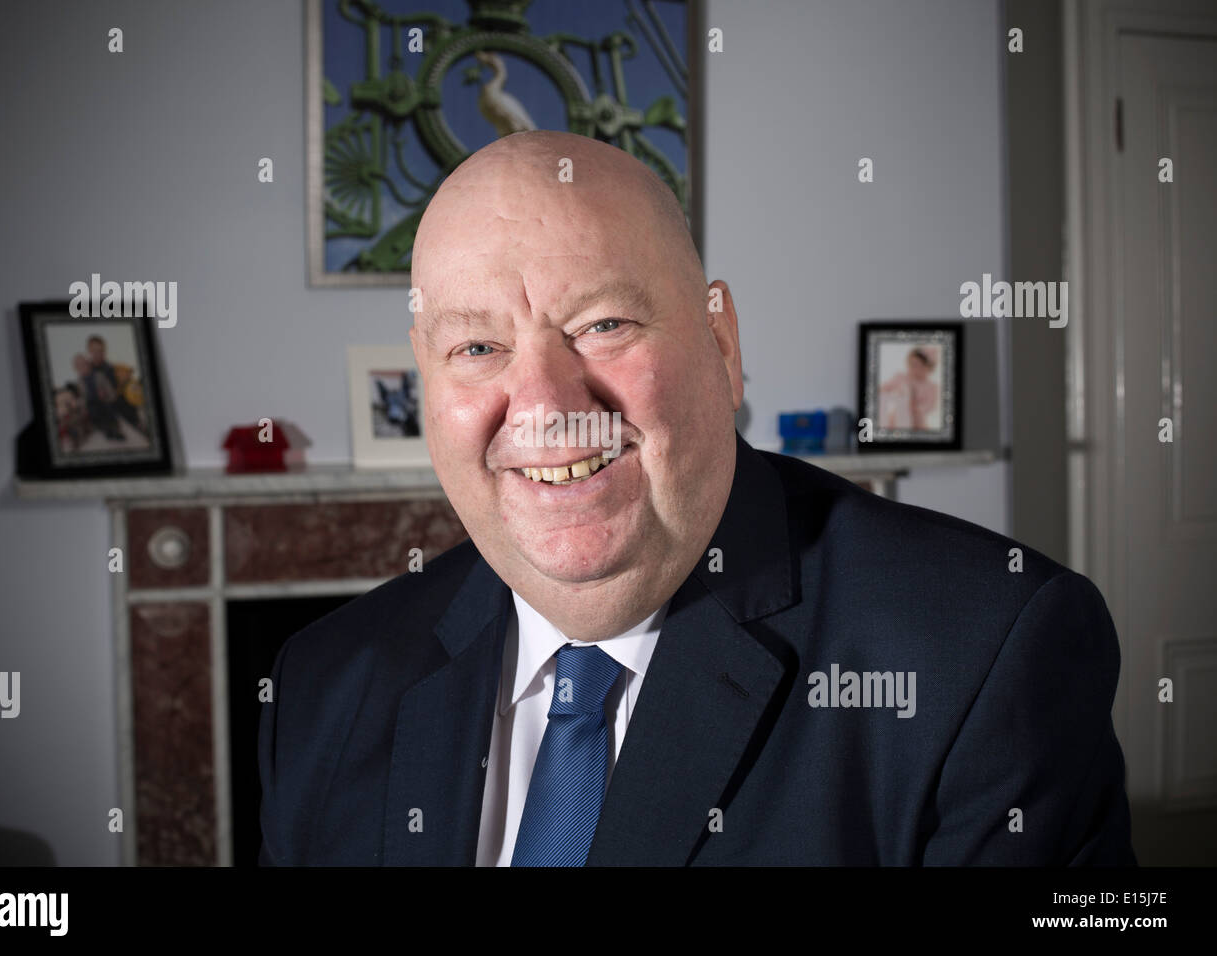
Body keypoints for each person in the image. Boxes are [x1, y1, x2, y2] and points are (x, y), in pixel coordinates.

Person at [258, 131, 1134, 866]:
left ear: (720, 342)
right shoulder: (323, 684)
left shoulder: (980, 659)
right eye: (478, 347)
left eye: (603, 326)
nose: (548, 408)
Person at [879, 346, 940, 431]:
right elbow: (885, 388)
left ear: (927, 367)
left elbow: (930, 406)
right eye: (911, 364)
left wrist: (917, 408)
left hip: (918, 422)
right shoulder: (901, 377)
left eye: (918, 366)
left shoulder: (931, 387)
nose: (913, 369)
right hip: (899, 418)